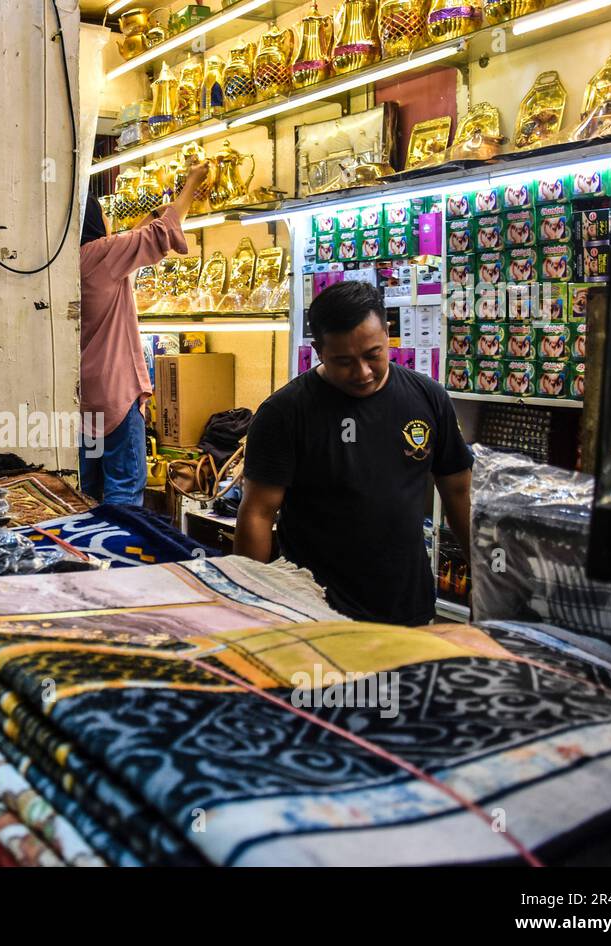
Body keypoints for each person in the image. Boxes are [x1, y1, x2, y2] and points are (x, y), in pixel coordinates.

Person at [233, 280, 473, 625]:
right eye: (343, 361)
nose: (362, 373)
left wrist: (487, 576)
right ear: (318, 351)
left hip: (408, 609)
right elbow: (257, 512)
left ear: (387, 335)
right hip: (315, 612)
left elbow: (459, 490)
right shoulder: (285, 413)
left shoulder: (428, 397)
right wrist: (250, 608)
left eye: (373, 354)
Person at [78, 162, 209, 504]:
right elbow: (162, 233)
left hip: (84, 400)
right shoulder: (103, 255)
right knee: (124, 488)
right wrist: (191, 185)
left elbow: (132, 239)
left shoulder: (72, 261)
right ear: (96, 219)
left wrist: (151, 213)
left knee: (88, 490)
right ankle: (120, 556)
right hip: (116, 396)